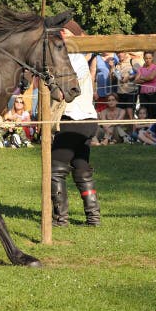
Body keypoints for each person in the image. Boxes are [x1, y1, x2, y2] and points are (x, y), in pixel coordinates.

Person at [51, 20, 100, 226]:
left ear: (64, 34)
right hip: (86, 120)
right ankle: (93, 217)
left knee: (55, 168)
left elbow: (65, 92)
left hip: (75, 118)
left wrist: (51, 85)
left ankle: (60, 219)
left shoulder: (74, 58)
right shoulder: (75, 57)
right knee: (81, 168)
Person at [135, 51, 156, 120]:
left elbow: (151, 77)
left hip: (153, 93)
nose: (148, 60)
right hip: (143, 94)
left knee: (154, 113)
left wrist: (142, 77)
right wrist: (148, 78)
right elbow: (136, 80)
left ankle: (153, 129)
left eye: (149, 58)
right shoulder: (140, 68)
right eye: (146, 58)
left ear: (152, 58)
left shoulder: (155, 67)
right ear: (144, 58)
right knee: (144, 114)